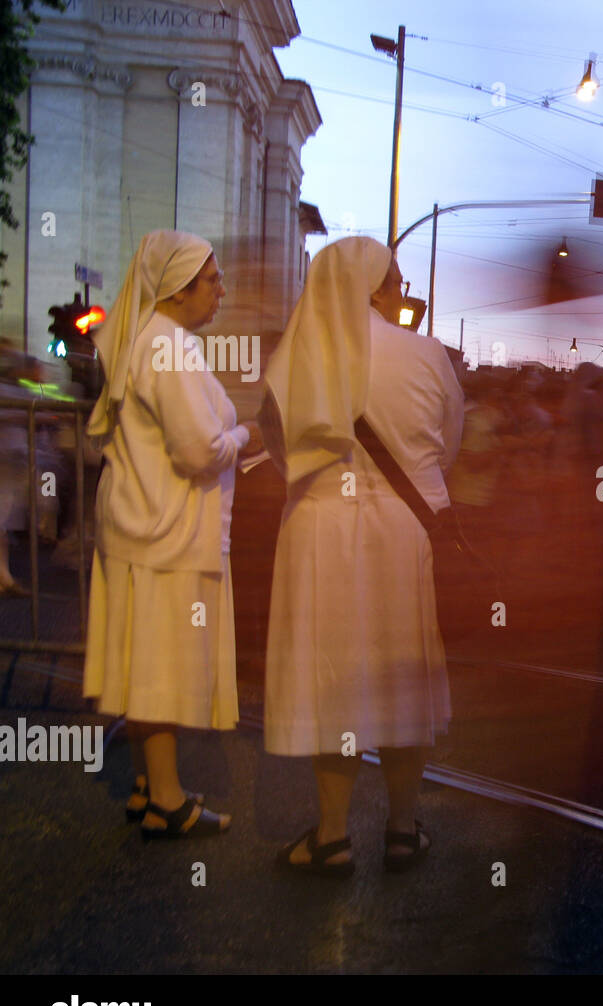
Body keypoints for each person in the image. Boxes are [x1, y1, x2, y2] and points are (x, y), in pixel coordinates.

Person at [261, 236, 464, 876]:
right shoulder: (428, 354)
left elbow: (275, 447)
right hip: (402, 533)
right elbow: (447, 443)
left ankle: (331, 836)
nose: (402, 294)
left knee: (335, 683)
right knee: (401, 676)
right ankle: (402, 830)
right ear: (373, 289)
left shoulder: (297, 360)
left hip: (319, 534)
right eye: (396, 282)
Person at [82, 229, 262, 838]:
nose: (221, 291)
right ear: (179, 289)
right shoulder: (171, 349)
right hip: (169, 532)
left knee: (140, 661)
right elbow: (198, 450)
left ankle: (145, 784)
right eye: (212, 281)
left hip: (138, 526)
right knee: (161, 666)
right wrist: (246, 438)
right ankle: (165, 798)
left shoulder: (144, 340)